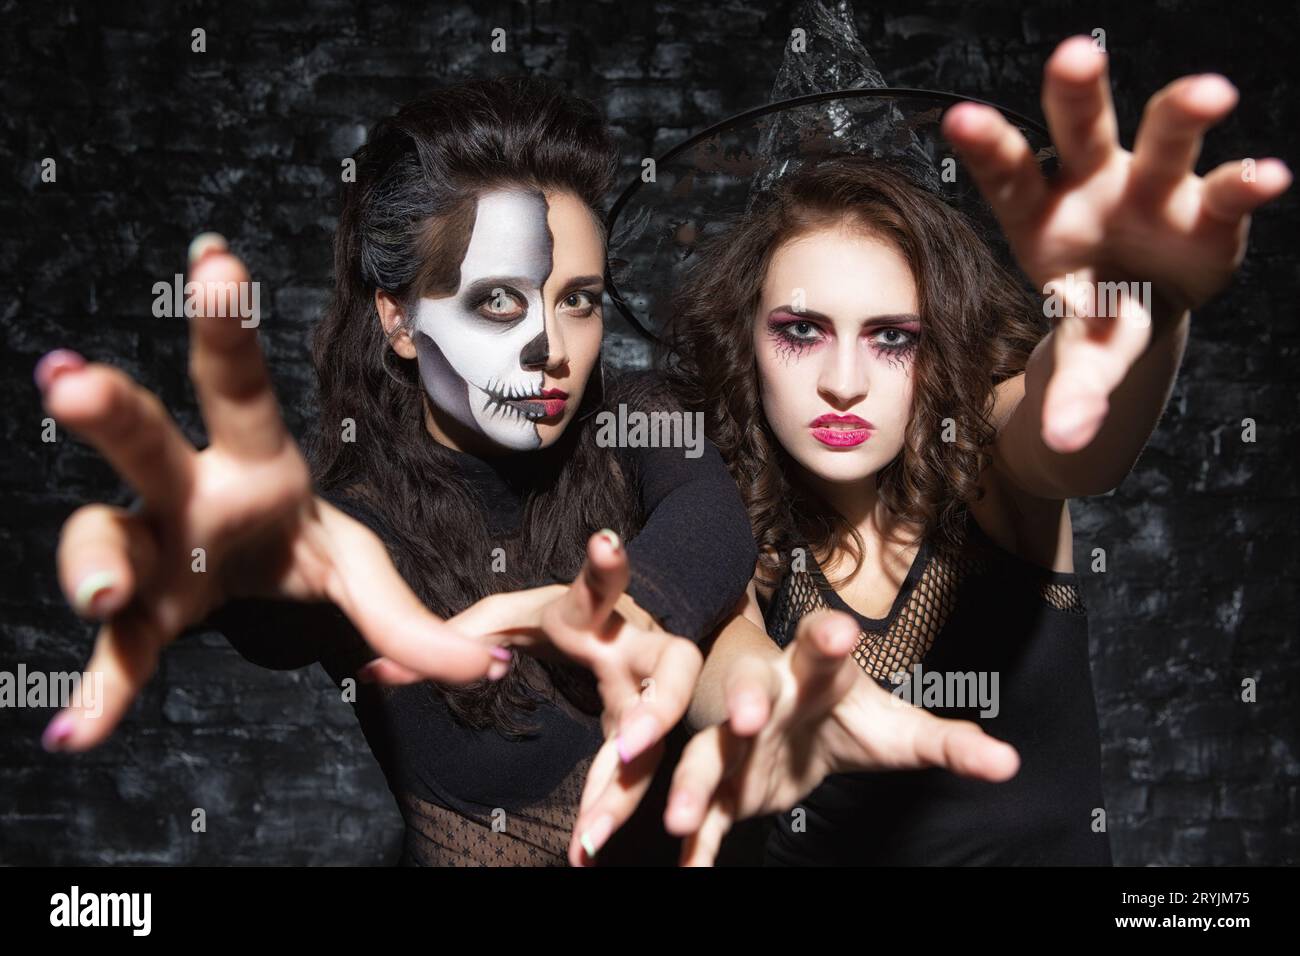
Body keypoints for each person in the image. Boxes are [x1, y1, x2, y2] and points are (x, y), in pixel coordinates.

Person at [36, 76, 760, 866]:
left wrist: (630, 616)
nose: (548, 344)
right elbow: (273, 598)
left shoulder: (639, 424)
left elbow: (711, 516)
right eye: (497, 302)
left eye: (578, 299)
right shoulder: (357, 533)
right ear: (401, 321)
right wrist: (199, 553)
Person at [663, 36, 1291, 865]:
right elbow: (720, 648)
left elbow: (1074, 445)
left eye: (892, 337)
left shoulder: (984, 461)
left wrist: (1146, 307)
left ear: (941, 349)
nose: (843, 382)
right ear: (746, 344)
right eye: (802, 331)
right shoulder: (717, 496)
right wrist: (764, 695)